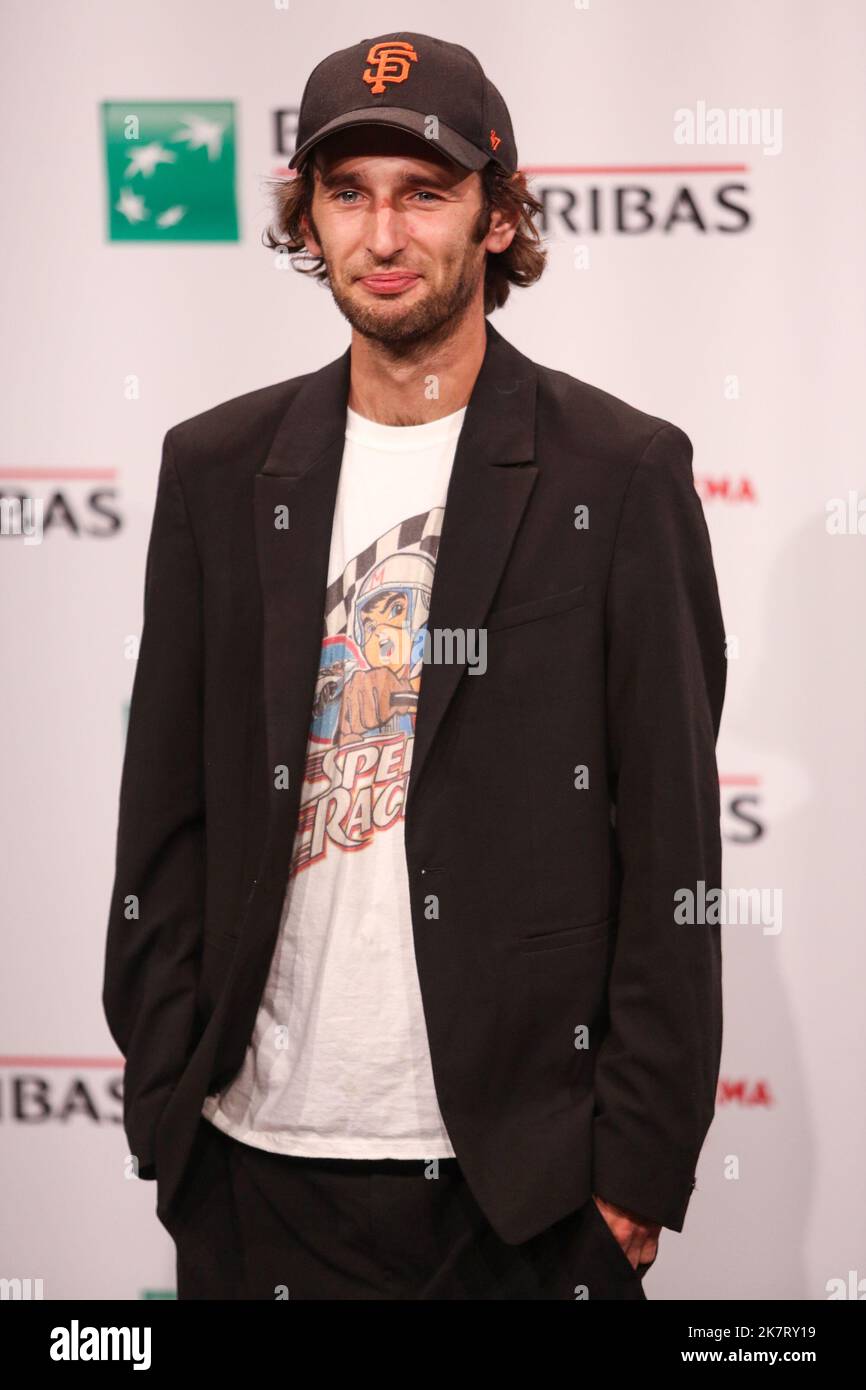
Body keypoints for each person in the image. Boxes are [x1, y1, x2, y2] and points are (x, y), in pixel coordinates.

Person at [102, 30, 727, 1300]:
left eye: (424, 193)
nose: (382, 235)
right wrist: (169, 1106)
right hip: (253, 1166)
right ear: (308, 219)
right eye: (348, 194)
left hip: (525, 1193)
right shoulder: (216, 472)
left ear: (496, 218)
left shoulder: (617, 472)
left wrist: (633, 1170)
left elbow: (672, 845)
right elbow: (162, 822)